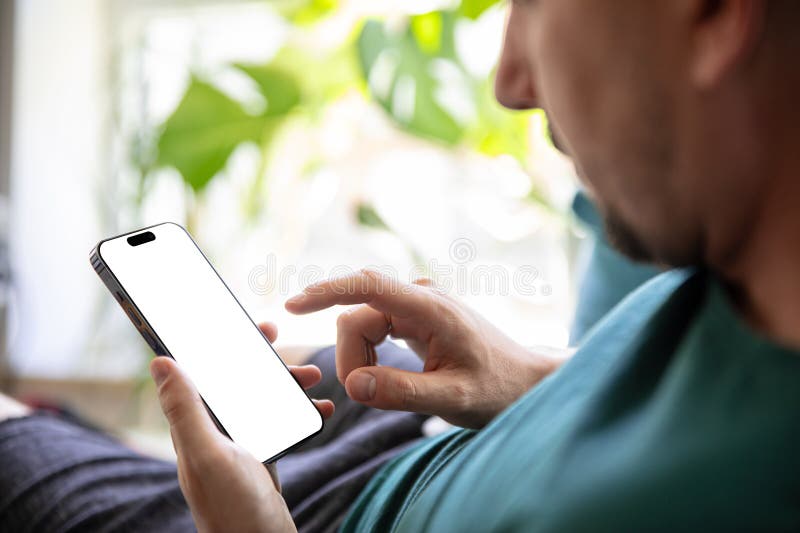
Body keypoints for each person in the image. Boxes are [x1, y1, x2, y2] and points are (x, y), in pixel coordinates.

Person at [3, 0, 800, 531]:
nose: (510, 83)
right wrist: (523, 377)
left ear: (714, 13)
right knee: (292, 373)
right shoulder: (735, 240)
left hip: (310, 517)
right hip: (432, 433)